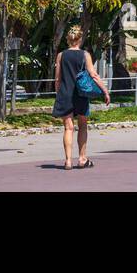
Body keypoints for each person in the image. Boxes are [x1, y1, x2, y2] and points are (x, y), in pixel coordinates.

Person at [52, 25, 110, 170]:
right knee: (82, 125)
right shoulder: (85, 55)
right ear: (80, 39)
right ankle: (82, 158)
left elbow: (57, 79)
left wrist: (58, 94)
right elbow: (94, 75)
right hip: (80, 95)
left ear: (68, 39)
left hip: (65, 94)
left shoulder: (61, 55)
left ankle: (68, 161)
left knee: (68, 128)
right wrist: (105, 91)